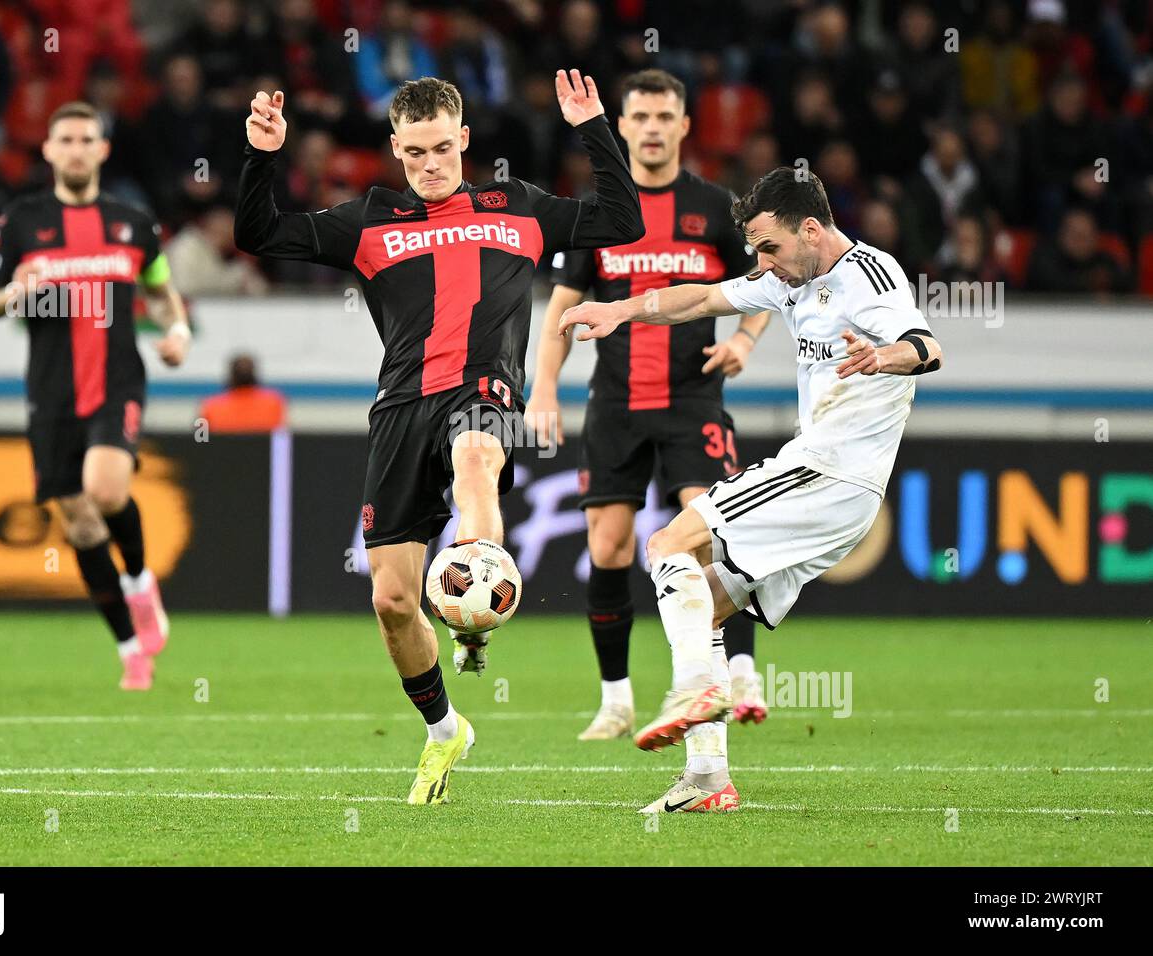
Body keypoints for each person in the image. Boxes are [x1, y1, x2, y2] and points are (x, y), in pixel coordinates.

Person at [235, 72, 643, 805]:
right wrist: (262, 156)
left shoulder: (517, 207)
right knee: (392, 601)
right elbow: (259, 233)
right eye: (415, 151)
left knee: (477, 457)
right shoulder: (367, 220)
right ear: (395, 149)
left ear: (464, 141)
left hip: (483, 388)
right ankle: (444, 728)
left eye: (442, 148)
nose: (430, 163)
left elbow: (622, 219)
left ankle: (477, 589)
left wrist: (594, 129)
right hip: (399, 410)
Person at [559, 167, 943, 812]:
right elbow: (701, 300)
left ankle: (692, 691)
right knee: (702, 607)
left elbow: (927, 347)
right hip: (839, 489)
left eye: (769, 246)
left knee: (667, 544)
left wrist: (885, 357)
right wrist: (621, 308)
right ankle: (709, 778)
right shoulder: (790, 282)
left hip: (828, 471)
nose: (762, 262)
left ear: (812, 230)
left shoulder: (867, 276)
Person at [526, 70, 769, 793]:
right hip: (615, 403)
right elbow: (562, 306)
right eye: (642, 116)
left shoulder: (714, 208)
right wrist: (544, 385)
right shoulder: (601, 212)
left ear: (686, 126)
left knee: (708, 539)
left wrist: (747, 341)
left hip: (694, 400)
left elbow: (767, 280)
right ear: (623, 126)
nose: (655, 126)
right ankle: (614, 699)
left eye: (667, 115)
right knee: (609, 545)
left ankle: (735, 676)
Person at [0, 101, 192, 691]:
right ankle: (129, 647)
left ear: (102, 149)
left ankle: (141, 579)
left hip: (117, 379)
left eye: (85, 139)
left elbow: (162, 292)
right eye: (64, 138)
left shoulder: (132, 223)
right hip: (50, 394)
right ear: (47, 150)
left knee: (105, 488)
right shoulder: (20, 222)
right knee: (79, 522)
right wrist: (15, 290)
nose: (75, 148)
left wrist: (178, 331)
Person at [198, 355, 287, 432]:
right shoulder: (274, 402)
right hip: (263, 452)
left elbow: (199, 440)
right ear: (254, 375)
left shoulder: (211, 405)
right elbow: (281, 437)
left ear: (231, 376)